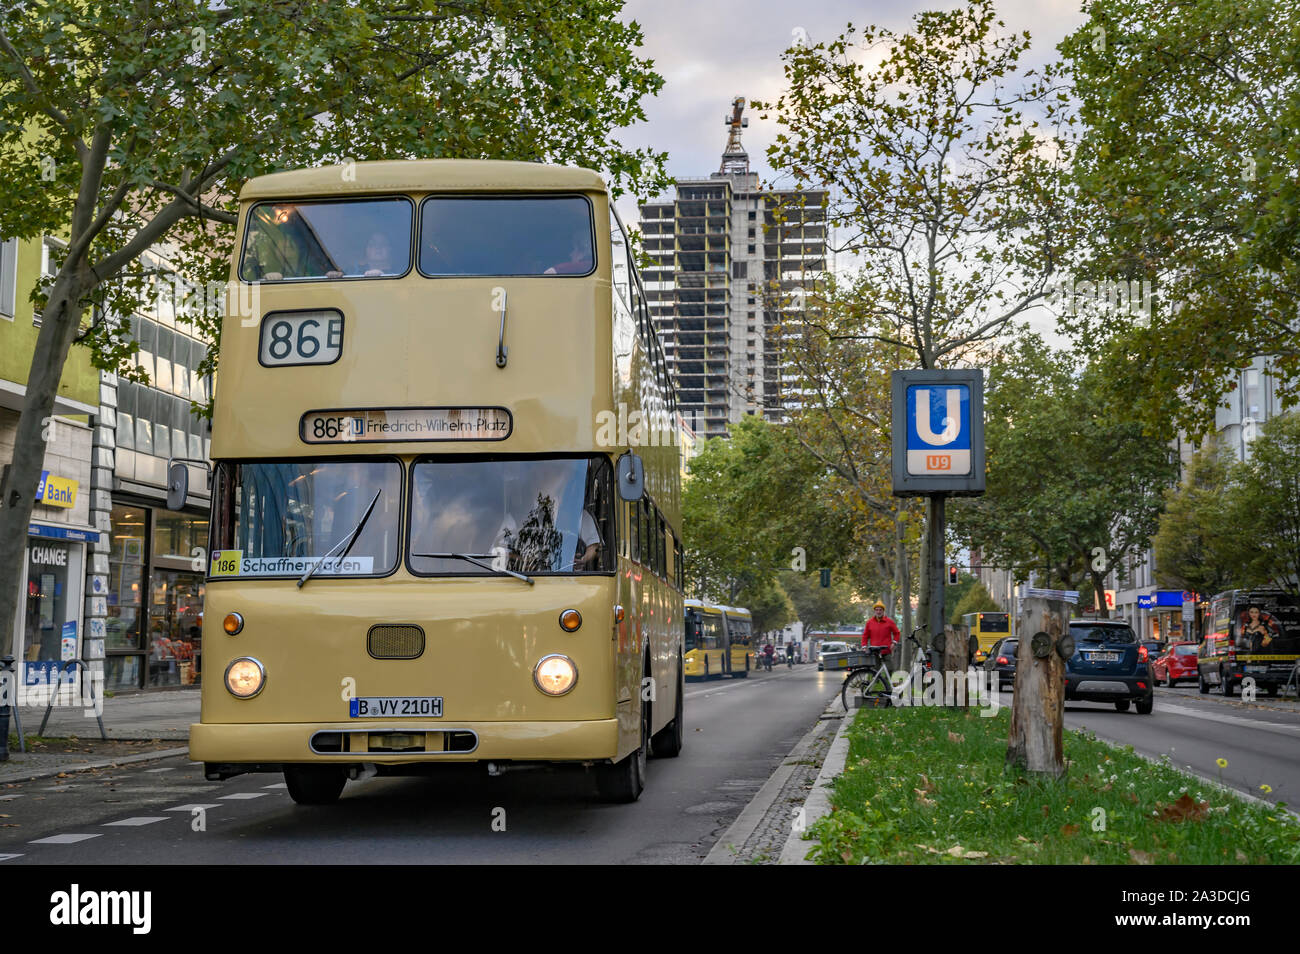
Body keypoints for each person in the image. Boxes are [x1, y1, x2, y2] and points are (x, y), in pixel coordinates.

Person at [862, 600, 901, 672]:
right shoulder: (869, 622)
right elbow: (865, 636)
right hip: (874, 651)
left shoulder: (889, 621)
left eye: (880, 610)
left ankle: (887, 683)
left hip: (886, 650)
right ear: (874, 611)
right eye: (876, 610)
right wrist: (864, 647)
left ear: (883, 611)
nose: (878, 612)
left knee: (890, 669)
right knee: (874, 670)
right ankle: (874, 683)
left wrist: (894, 643)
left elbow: (897, 633)